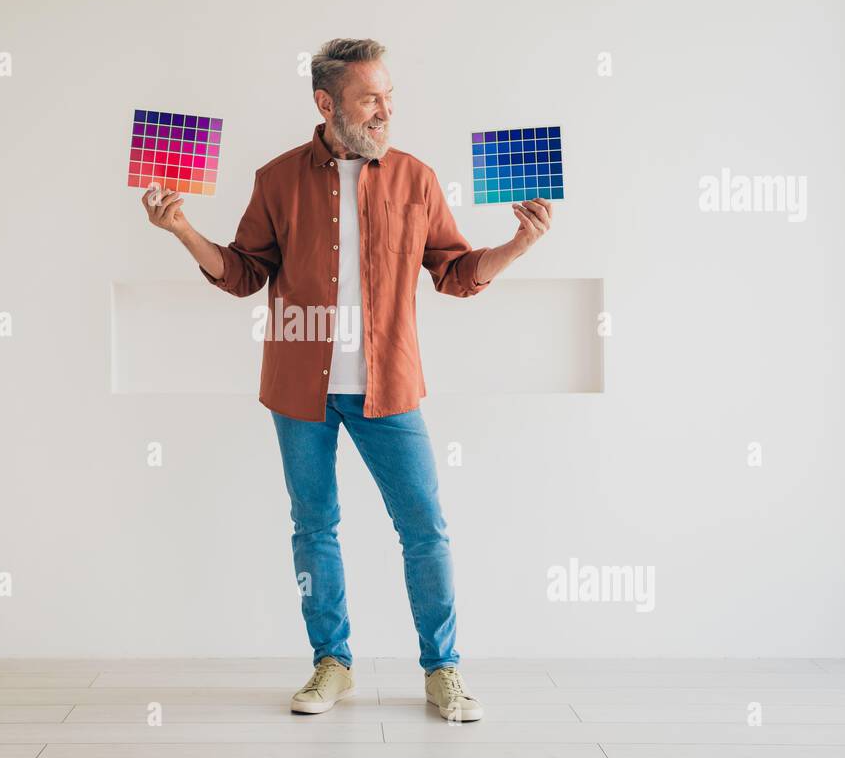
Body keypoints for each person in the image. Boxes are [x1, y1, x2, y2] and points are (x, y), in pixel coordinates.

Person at [139, 38, 555, 722]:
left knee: (424, 527)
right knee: (314, 526)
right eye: (370, 99)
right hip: (299, 389)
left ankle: (443, 669)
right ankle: (331, 662)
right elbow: (243, 273)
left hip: (389, 386)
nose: (385, 109)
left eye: (389, 96)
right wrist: (181, 227)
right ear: (326, 103)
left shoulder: (417, 179)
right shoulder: (276, 179)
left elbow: (452, 273)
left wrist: (520, 245)